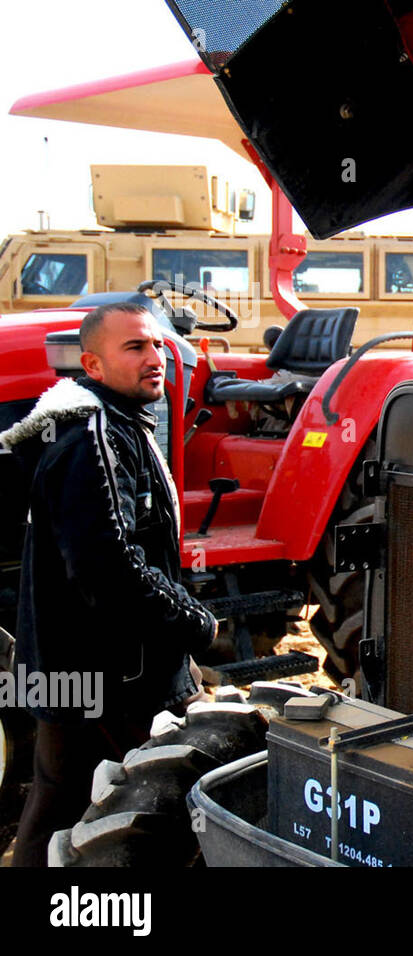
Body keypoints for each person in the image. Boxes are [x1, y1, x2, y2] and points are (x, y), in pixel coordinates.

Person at [0, 301, 218, 867]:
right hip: (112, 674)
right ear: (92, 365)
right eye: (135, 348)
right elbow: (108, 567)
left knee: (59, 796)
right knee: (160, 801)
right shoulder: (95, 436)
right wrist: (192, 622)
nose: (156, 358)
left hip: (70, 666)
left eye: (156, 345)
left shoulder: (107, 425)